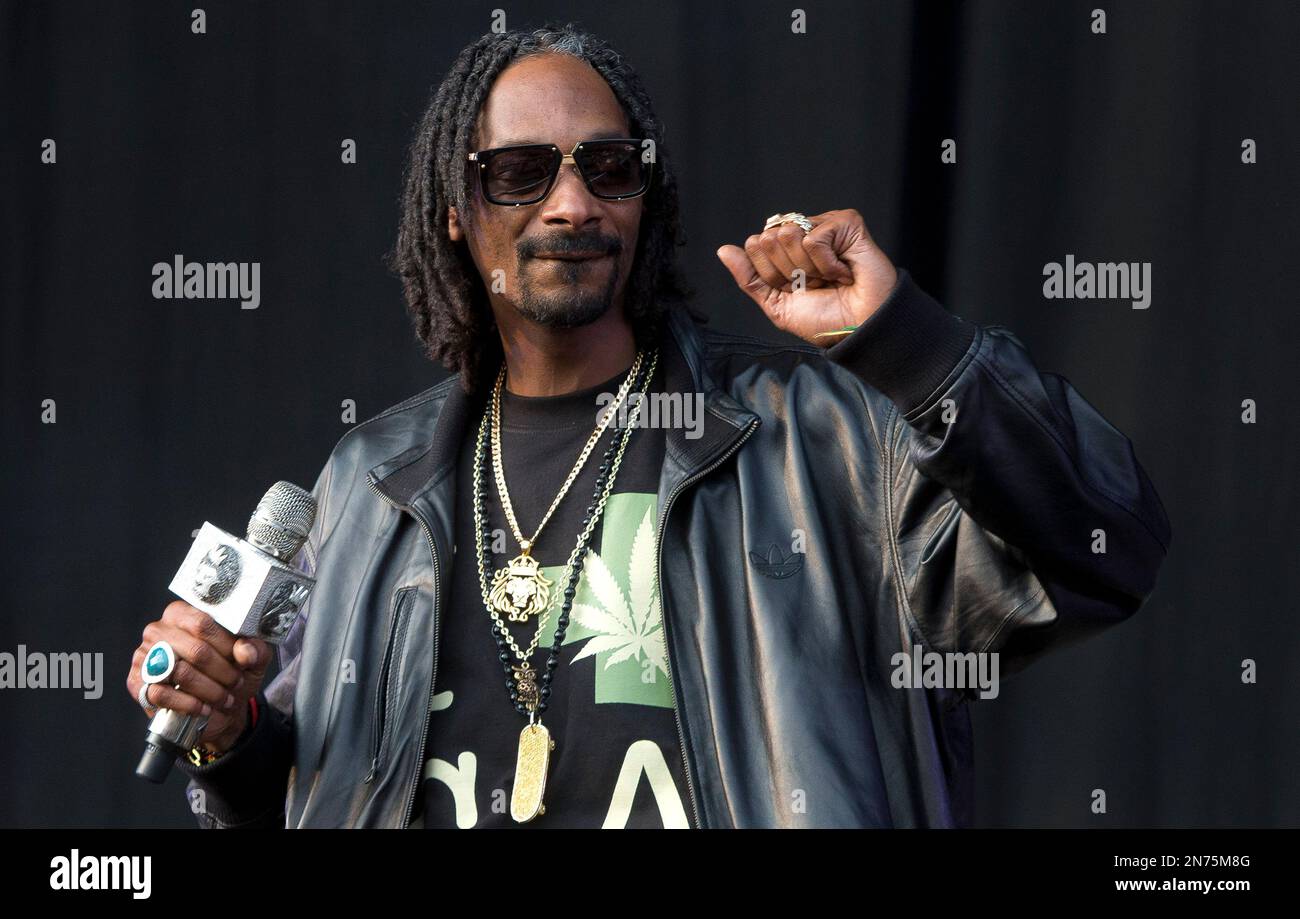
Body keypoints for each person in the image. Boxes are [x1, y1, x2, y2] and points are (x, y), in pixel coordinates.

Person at [125, 24, 1170, 828]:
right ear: (457, 210)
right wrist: (231, 736)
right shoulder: (372, 479)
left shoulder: (817, 439)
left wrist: (905, 343)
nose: (572, 202)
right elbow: (326, 789)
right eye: (521, 171)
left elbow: (1099, 546)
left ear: (643, 195)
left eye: (607, 166)